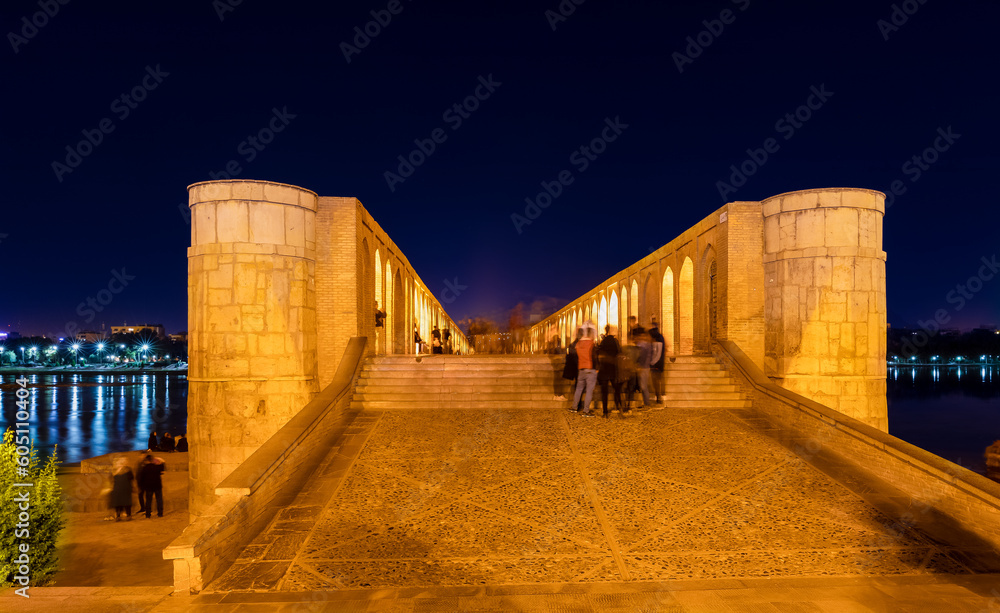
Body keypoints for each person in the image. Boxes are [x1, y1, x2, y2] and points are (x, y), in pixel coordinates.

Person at [571, 322, 599, 416]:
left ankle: (574, 407)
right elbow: (594, 357)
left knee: (579, 389)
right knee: (589, 390)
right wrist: (597, 368)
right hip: (590, 368)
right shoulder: (591, 344)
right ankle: (586, 411)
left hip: (581, 368)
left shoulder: (578, 343)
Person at [597, 325, 622, 418]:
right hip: (613, 368)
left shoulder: (603, 341)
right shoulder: (615, 342)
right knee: (616, 389)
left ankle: (605, 412)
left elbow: (599, 352)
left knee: (604, 392)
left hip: (604, 369)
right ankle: (618, 407)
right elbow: (619, 352)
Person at [109, 456, 135, 521]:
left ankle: (118, 516)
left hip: (117, 488)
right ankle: (128, 516)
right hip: (126, 488)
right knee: (126, 503)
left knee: (118, 503)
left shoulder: (114, 470)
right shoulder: (128, 470)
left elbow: (111, 479)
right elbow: (131, 478)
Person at [560, 328, 582, 403]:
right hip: (579, 366)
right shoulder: (579, 344)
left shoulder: (573, 344)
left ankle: (577, 402)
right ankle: (578, 402)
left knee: (578, 385)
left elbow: (569, 355)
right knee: (579, 385)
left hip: (575, 366)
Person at [648, 320, 666, 407]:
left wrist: (652, 362)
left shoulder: (657, 339)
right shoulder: (659, 337)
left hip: (656, 364)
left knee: (656, 380)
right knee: (657, 380)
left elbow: (657, 353)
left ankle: (659, 396)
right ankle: (659, 396)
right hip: (658, 363)